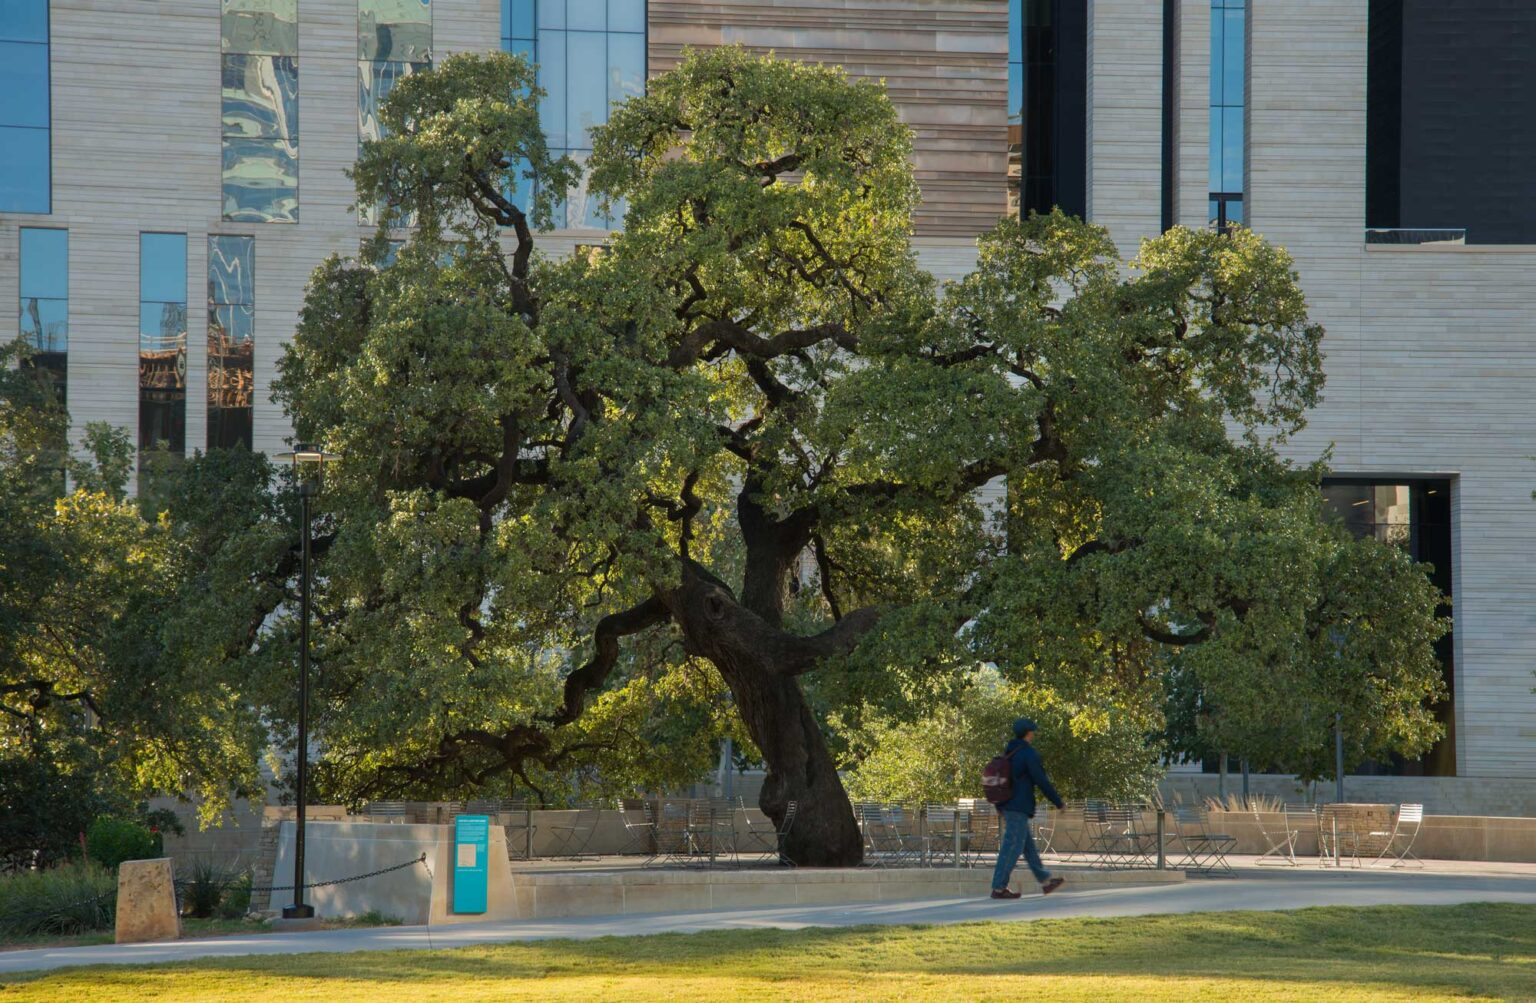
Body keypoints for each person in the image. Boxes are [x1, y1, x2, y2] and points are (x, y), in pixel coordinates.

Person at [991, 717, 1066, 899]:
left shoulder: (1010, 752)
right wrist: (1058, 801)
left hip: (1009, 805)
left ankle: (1046, 882)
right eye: (1032, 731)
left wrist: (1000, 805)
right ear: (1028, 733)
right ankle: (999, 888)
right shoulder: (1027, 753)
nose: (1033, 734)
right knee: (1012, 847)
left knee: (1027, 847)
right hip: (1018, 807)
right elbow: (1041, 780)